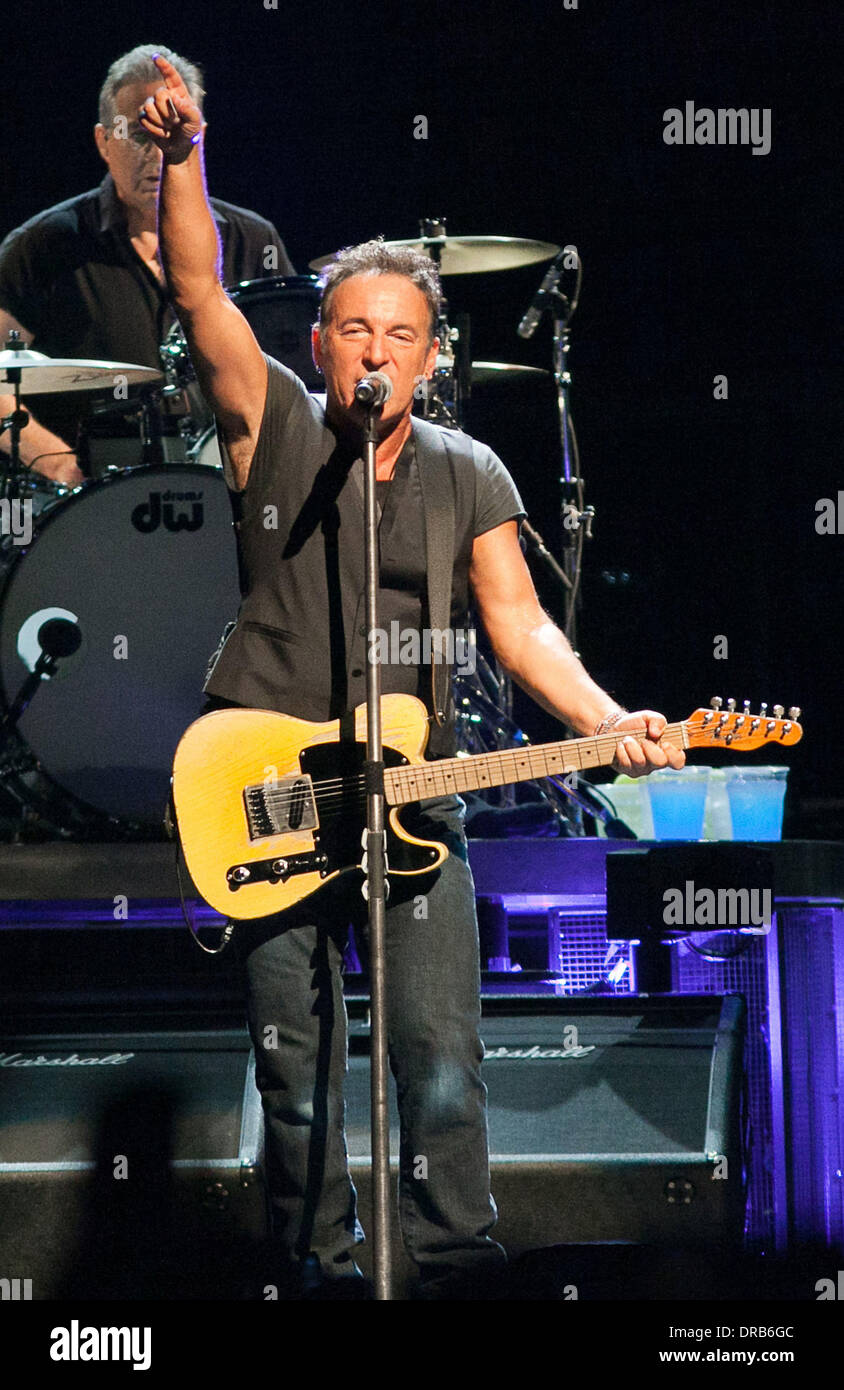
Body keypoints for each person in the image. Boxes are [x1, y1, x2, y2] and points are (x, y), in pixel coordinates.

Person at [144, 54, 686, 1299]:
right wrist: (186, 155)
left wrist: (612, 722)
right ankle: (311, 1273)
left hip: (409, 794)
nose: (373, 351)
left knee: (441, 1053)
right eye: (353, 330)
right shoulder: (273, 425)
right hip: (265, 783)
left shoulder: (467, 470)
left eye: (401, 334)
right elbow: (195, 284)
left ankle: (450, 1272)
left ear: (432, 358)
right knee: (295, 1064)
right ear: (320, 345)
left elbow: (521, 630)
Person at [0, 44, 293, 486]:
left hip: (238, 490)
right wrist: (54, 460)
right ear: (103, 142)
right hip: (94, 499)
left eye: (173, 132)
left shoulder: (253, 238)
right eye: (140, 135)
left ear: (199, 135)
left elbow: (296, 372)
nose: (158, 152)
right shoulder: (41, 247)